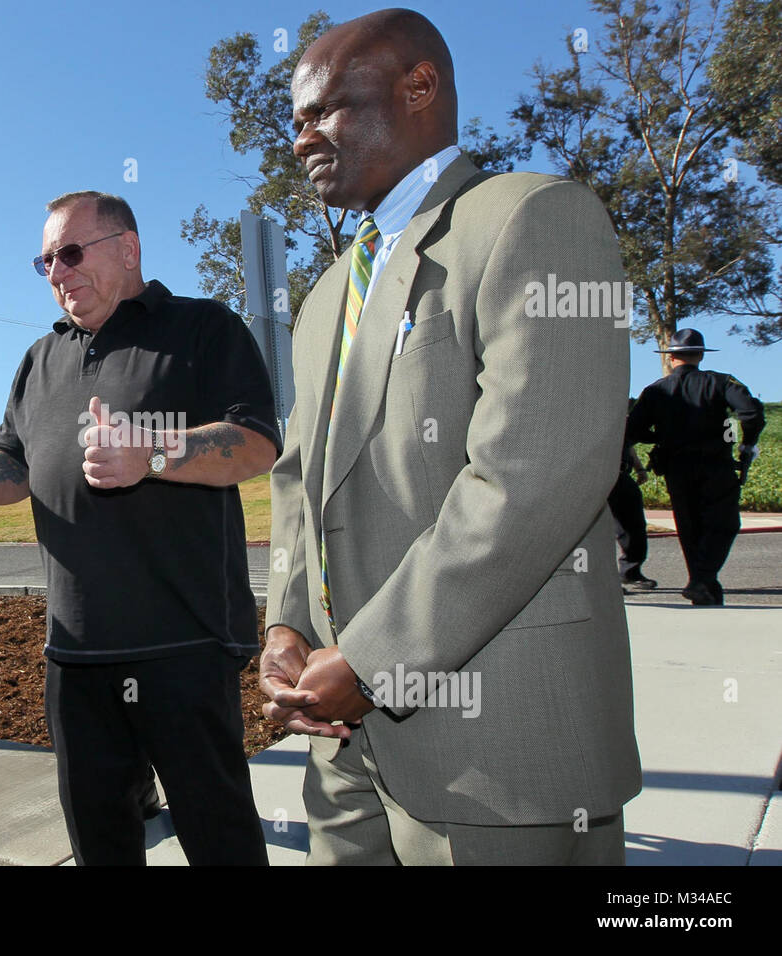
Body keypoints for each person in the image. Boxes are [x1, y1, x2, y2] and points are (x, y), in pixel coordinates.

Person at [261, 9, 642, 865]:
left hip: (494, 746)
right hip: (338, 746)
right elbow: (299, 483)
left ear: (419, 87)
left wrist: (370, 661)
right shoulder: (326, 297)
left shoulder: (533, 217)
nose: (301, 138)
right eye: (294, 121)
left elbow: (532, 476)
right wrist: (286, 628)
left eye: (322, 111)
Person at [0, 191, 279, 865]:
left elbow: (257, 443)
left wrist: (151, 452)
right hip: (76, 655)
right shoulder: (40, 359)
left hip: (185, 643)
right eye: (46, 261)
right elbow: (17, 465)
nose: (57, 272)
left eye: (71, 253)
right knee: (101, 844)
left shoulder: (202, 329)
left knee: (220, 839)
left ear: (129, 248)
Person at [625, 328, 765, 606]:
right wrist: (747, 443)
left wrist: (663, 436)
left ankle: (704, 586)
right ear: (700, 355)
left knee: (690, 528)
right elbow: (751, 413)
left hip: (676, 467)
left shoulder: (655, 390)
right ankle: (701, 581)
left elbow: (633, 430)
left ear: (672, 358)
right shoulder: (721, 382)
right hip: (715, 465)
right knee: (724, 524)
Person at [609, 439, 657, 590]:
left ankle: (630, 572)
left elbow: (627, 442)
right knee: (598, 531)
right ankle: (604, 580)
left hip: (623, 474)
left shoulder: (618, 418)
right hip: (600, 474)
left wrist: (639, 468)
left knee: (635, 526)